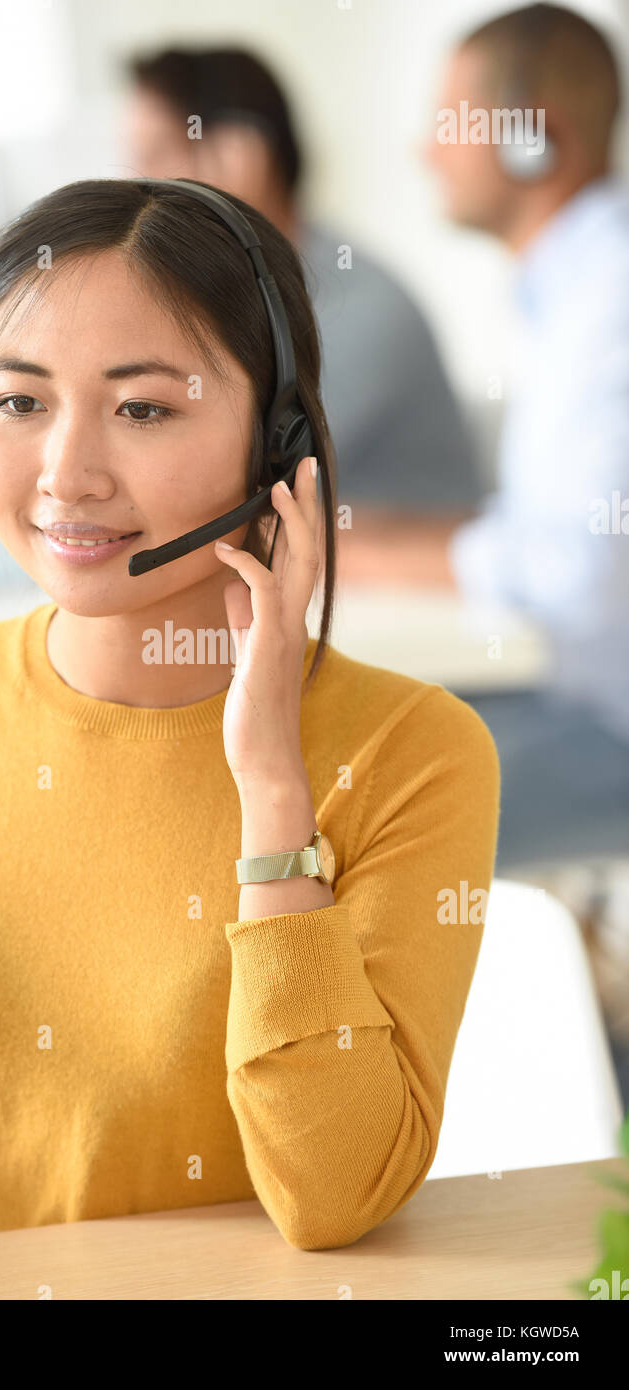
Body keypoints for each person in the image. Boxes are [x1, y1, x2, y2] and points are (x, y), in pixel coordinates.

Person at [0, 177, 499, 1246]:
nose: (65, 474)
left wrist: (270, 790)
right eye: (18, 401)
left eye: (143, 408)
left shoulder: (415, 753)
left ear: (275, 442)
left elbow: (334, 1192)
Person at [341, 3, 629, 874]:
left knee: (354, 809)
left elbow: (574, 575)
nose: (427, 151)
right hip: (573, 694)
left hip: (603, 724)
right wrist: (364, 544)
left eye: (449, 121)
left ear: (530, 138)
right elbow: (545, 529)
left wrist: (363, 556)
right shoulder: (568, 288)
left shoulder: (608, 298)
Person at [123, 45, 483, 520]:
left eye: (156, 154)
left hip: (414, 581)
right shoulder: (224, 296)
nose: (139, 190)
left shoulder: (362, 304)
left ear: (241, 156)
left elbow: (241, 473)